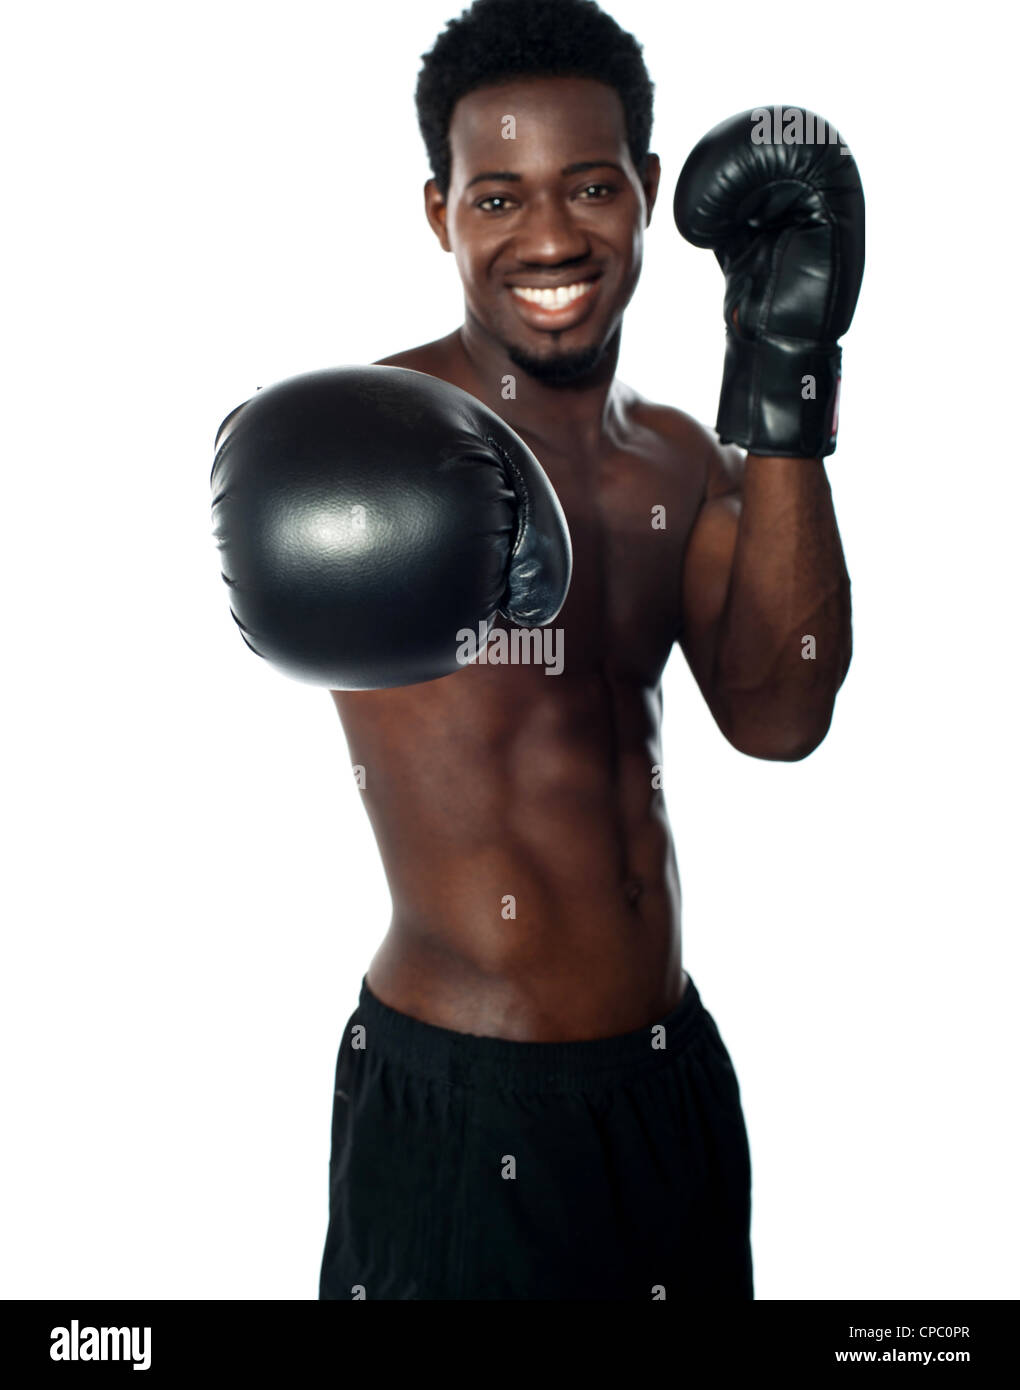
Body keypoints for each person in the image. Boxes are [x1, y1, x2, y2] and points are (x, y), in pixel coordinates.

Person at [210, 0, 863, 1300]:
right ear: (440, 213)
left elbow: (782, 714)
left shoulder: (676, 453)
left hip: (667, 1082)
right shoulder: (377, 436)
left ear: (649, 192)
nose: (554, 237)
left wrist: (782, 371)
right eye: (498, 198)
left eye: (590, 187)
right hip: (468, 1105)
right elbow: (272, 502)